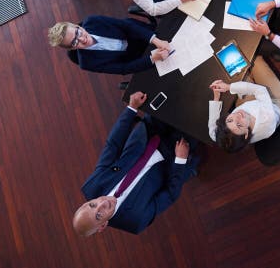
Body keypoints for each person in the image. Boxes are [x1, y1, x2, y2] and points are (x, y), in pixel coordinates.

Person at [72, 91, 199, 236]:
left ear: (86, 202)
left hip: (147, 134)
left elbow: (112, 145)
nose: (102, 204)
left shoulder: (92, 187)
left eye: (92, 205)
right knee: (197, 113)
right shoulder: (135, 221)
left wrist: (131, 108)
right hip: (171, 158)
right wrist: (180, 161)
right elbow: (170, 195)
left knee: (176, 93)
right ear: (102, 226)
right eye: (99, 216)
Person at [208, 56, 280, 152]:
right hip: (276, 103)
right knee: (256, 61)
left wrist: (216, 97)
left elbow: (213, 126)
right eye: (239, 125)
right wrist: (228, 87)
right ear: (246, 134)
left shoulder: (218, 135)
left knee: (239, 70)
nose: (237, 116)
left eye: (230, 120)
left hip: (250, 105)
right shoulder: (267, 119)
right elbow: (260, 90)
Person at [47, 16, 171, 75]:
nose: (82, 39)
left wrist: (155, 40)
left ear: (78, 26)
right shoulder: (87, 63)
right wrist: (151, 58)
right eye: (74, 42)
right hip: (138, 58)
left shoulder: (92, 21)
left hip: (140, 34)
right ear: (72, 48)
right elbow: (123, 69)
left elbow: (126, 26)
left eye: (78, 32)